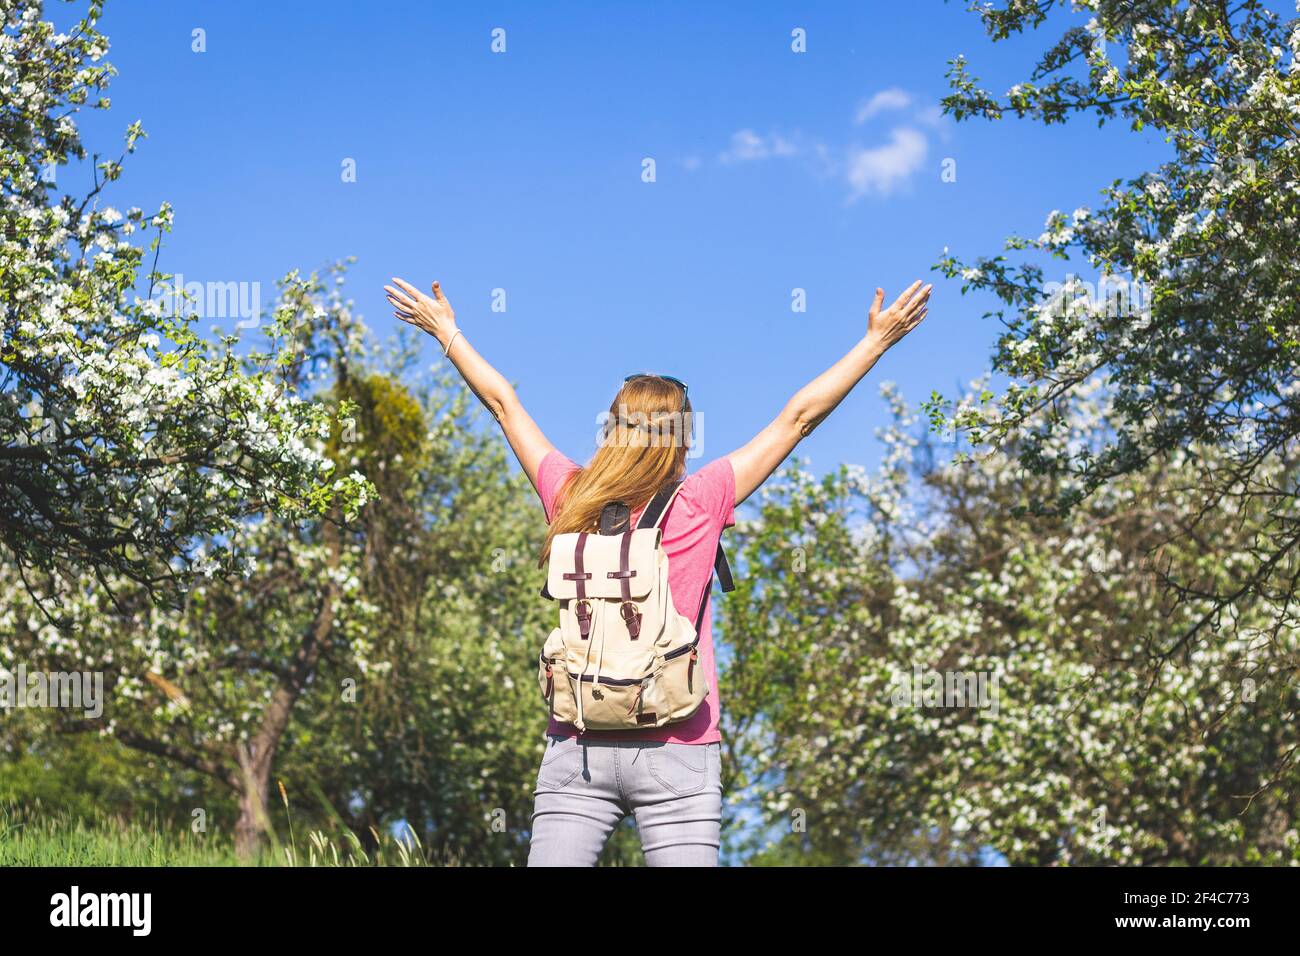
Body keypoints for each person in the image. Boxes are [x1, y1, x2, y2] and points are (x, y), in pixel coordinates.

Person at [384, 275, 931, 866]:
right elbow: (797, 419)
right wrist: (877, 342)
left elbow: (503, 404)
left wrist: (447, 332)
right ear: (682, 441)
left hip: (579, 743)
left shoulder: (570, 496)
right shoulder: (703, 499)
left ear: (610, 431)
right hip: (680, 747)